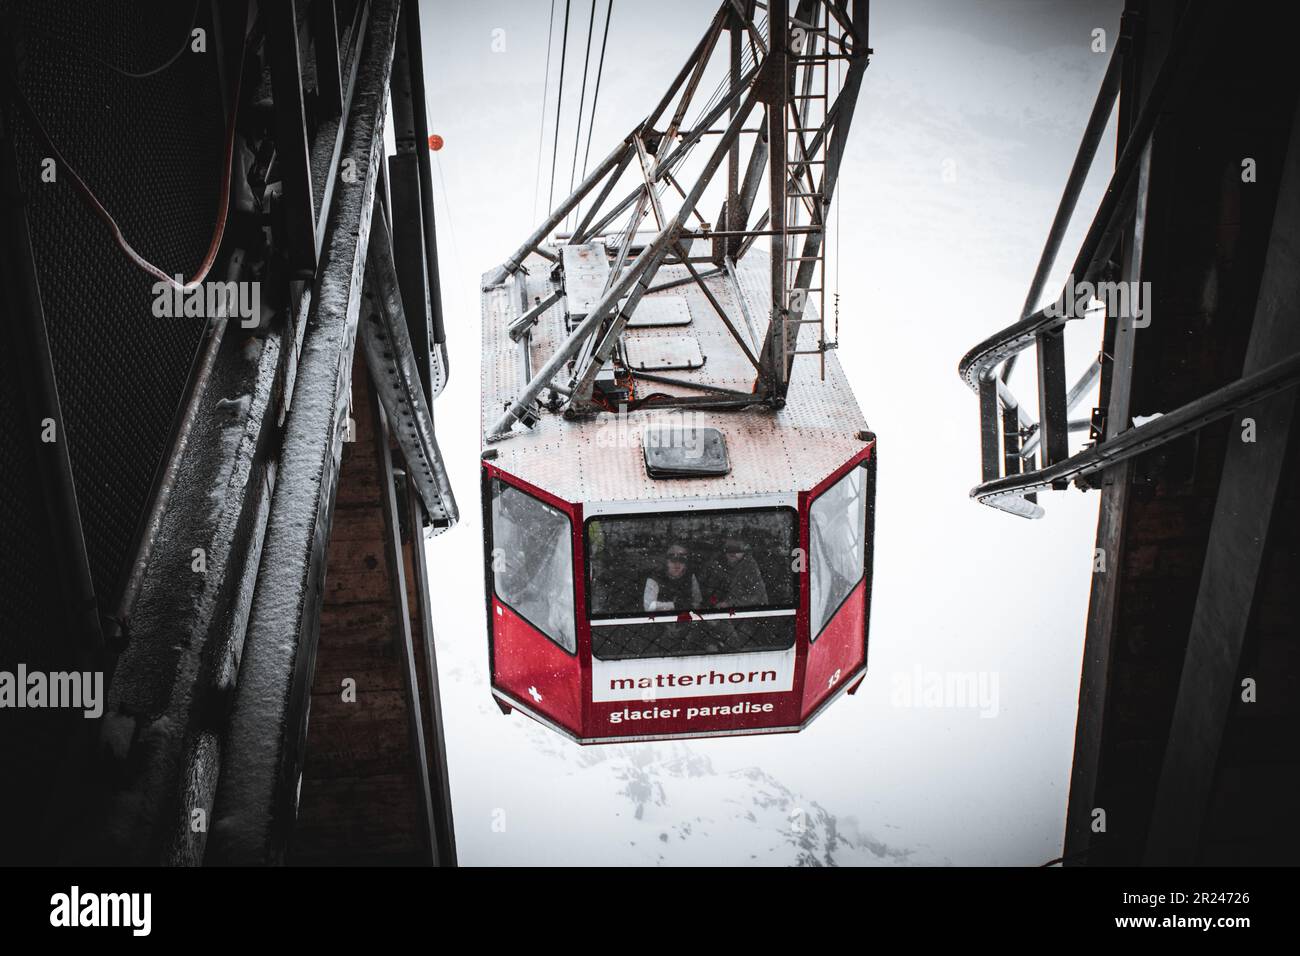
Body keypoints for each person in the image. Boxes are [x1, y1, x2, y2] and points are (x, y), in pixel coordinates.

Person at [703, 537, 768, 609]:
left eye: (737, 549)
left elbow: (759, 598)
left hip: (746, 612)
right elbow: (709, 591)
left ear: (744, 552)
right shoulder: (716, 566)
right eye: (729, 548)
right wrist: (714, 602)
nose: (733, 553)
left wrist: (730, 604)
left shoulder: (750, 568)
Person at [643, 543, 703, 613]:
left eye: (682, 560)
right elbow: (649, 606)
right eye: (673, 559)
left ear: (686, 563)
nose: (677, 564)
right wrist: (675, 605)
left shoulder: (690, 577)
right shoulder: (655, 578)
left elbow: (697, 602)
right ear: (666, 561)